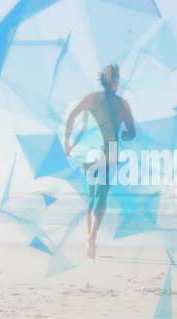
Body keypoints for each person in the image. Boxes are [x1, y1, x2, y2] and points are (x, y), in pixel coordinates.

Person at [64, 65, 136, 259]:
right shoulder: (123, 104)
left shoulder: (91, 99)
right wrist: (122, 132)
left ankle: (91, 240)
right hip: (110, 151)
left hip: (90, 152)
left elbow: (71, 117)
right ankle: (91, 237)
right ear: (116, 82)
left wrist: (67, 142)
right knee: (101, 196)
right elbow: (131, 133)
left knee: (93, 195)